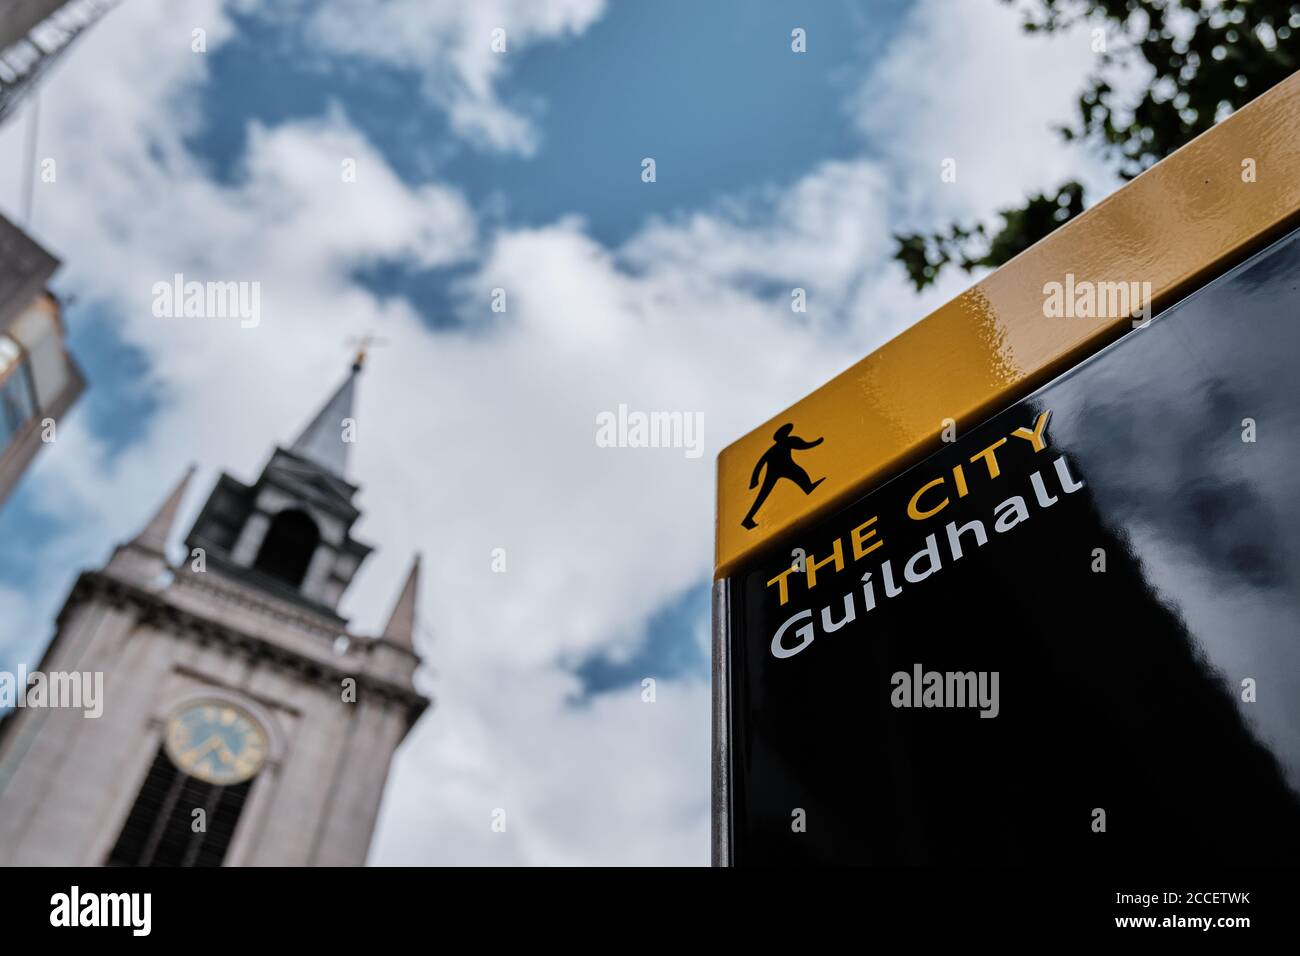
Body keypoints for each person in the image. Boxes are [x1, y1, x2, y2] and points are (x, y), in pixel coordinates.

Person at [742, 423, 825, 529]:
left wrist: (816, 442)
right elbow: (760, 464)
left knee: (800, 474)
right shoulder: (780, 445)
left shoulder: (788, 441)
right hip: (775, 470)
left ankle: (808, 487)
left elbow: (803, 445)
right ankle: (747, 519)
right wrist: (754, 480)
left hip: (787, 467)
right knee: (763, 494)